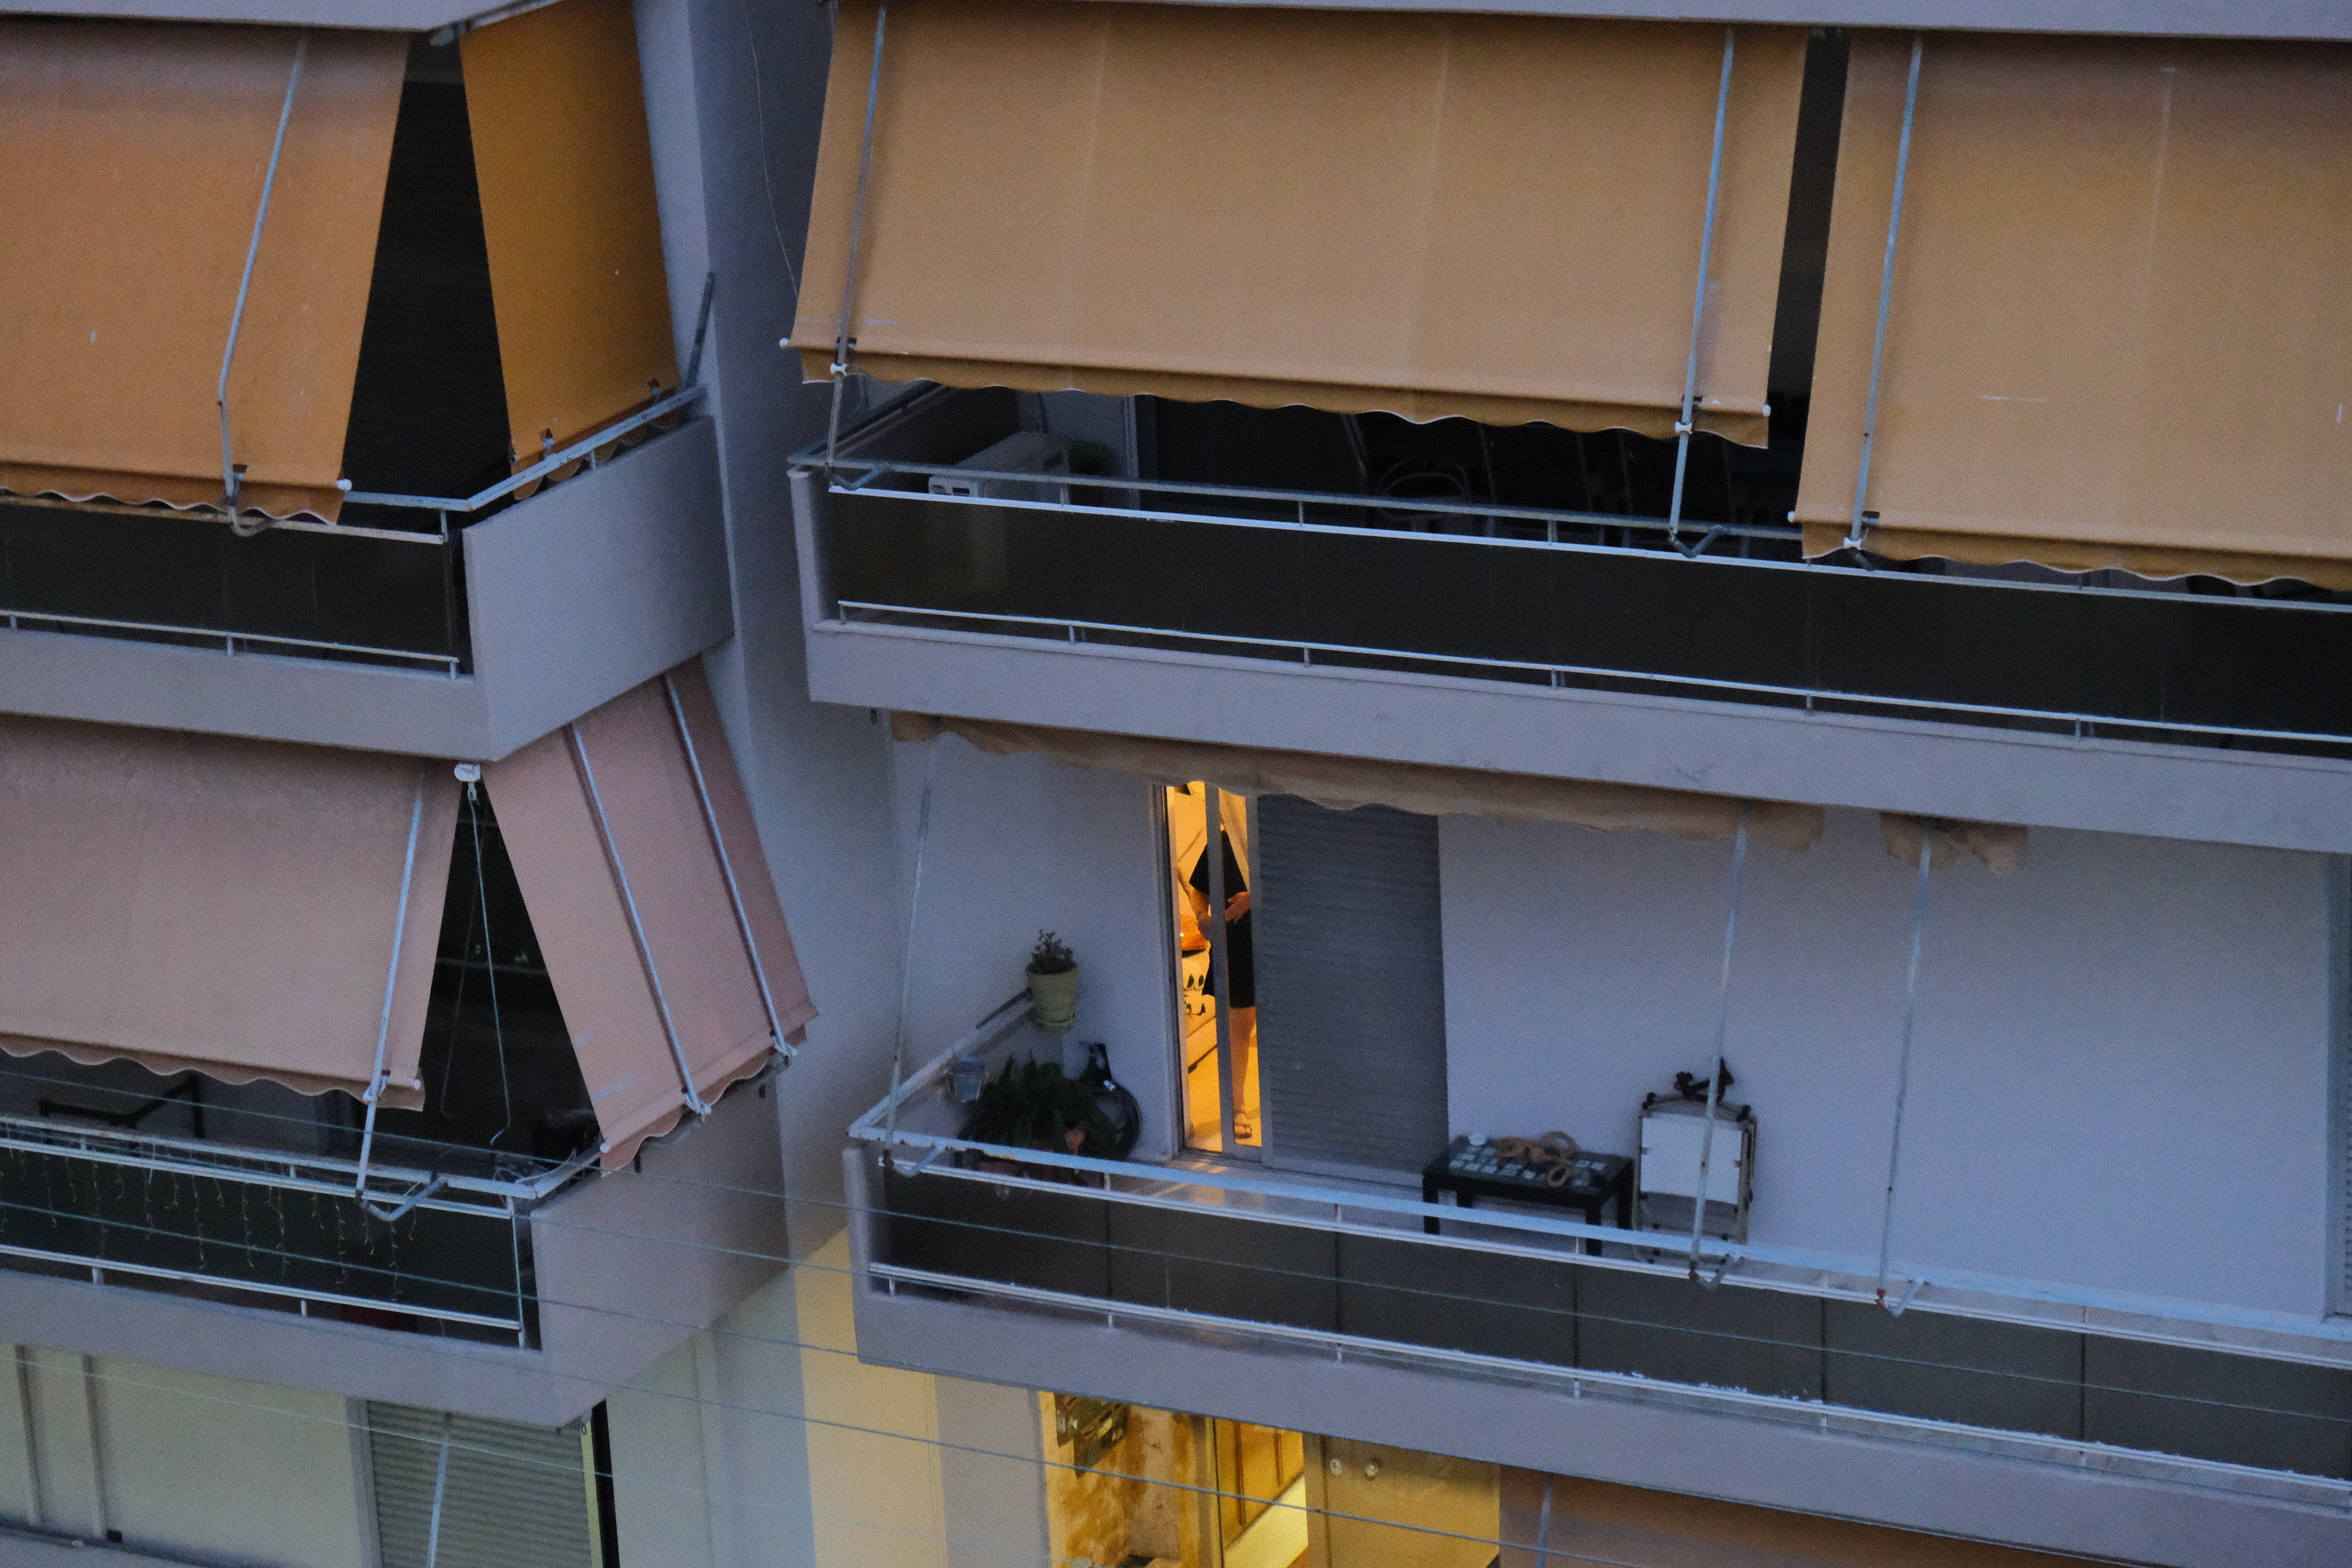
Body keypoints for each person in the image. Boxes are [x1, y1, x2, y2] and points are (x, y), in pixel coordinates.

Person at [1186, 828, 1259, 1141]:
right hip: (1235, 948)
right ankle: (1237, 1106)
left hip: (1278, 945)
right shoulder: (1220, 844)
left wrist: (1254, 897)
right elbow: (1197, 889)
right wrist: (1202, 916)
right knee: (1238, 1029)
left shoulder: (1269, 836)